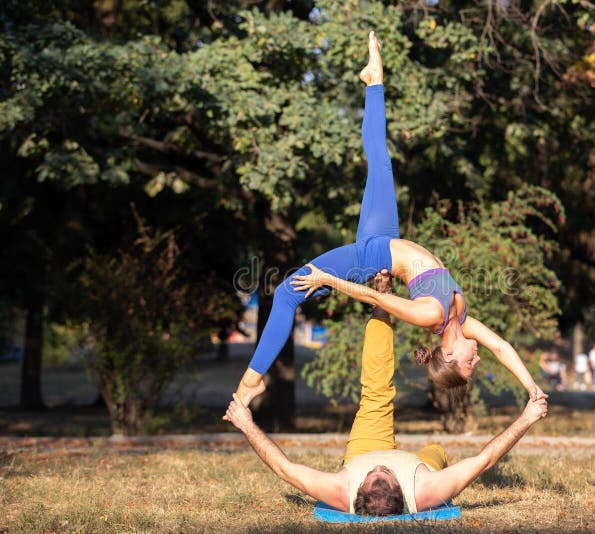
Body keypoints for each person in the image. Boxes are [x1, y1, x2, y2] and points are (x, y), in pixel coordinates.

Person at [234, 31, 544, 408]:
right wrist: (532, 388)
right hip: (384, 239)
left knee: (286, 293)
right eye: (474, 364)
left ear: (448, 356)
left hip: (371, 257)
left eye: (468, 365)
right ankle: (374, 80)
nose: (476, 360)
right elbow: (502, 346)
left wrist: (326, 278)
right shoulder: (459, 320)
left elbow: (367, 294)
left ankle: (251, 381)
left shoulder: (430, 314)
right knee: (380, 162)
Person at [224, 271, 549, 515]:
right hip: (421, 468)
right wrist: (527, 417)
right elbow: (485, 459)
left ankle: (383, 295)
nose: (380, 470)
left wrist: (245, 423)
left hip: (363, 450)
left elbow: (284, 469)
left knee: (376, 391)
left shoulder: (342, 490)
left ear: (359, 493)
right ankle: (434, 455)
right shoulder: (424, 491)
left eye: (372, 478)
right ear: (400, 492)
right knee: (436, 451)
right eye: (387, 478)